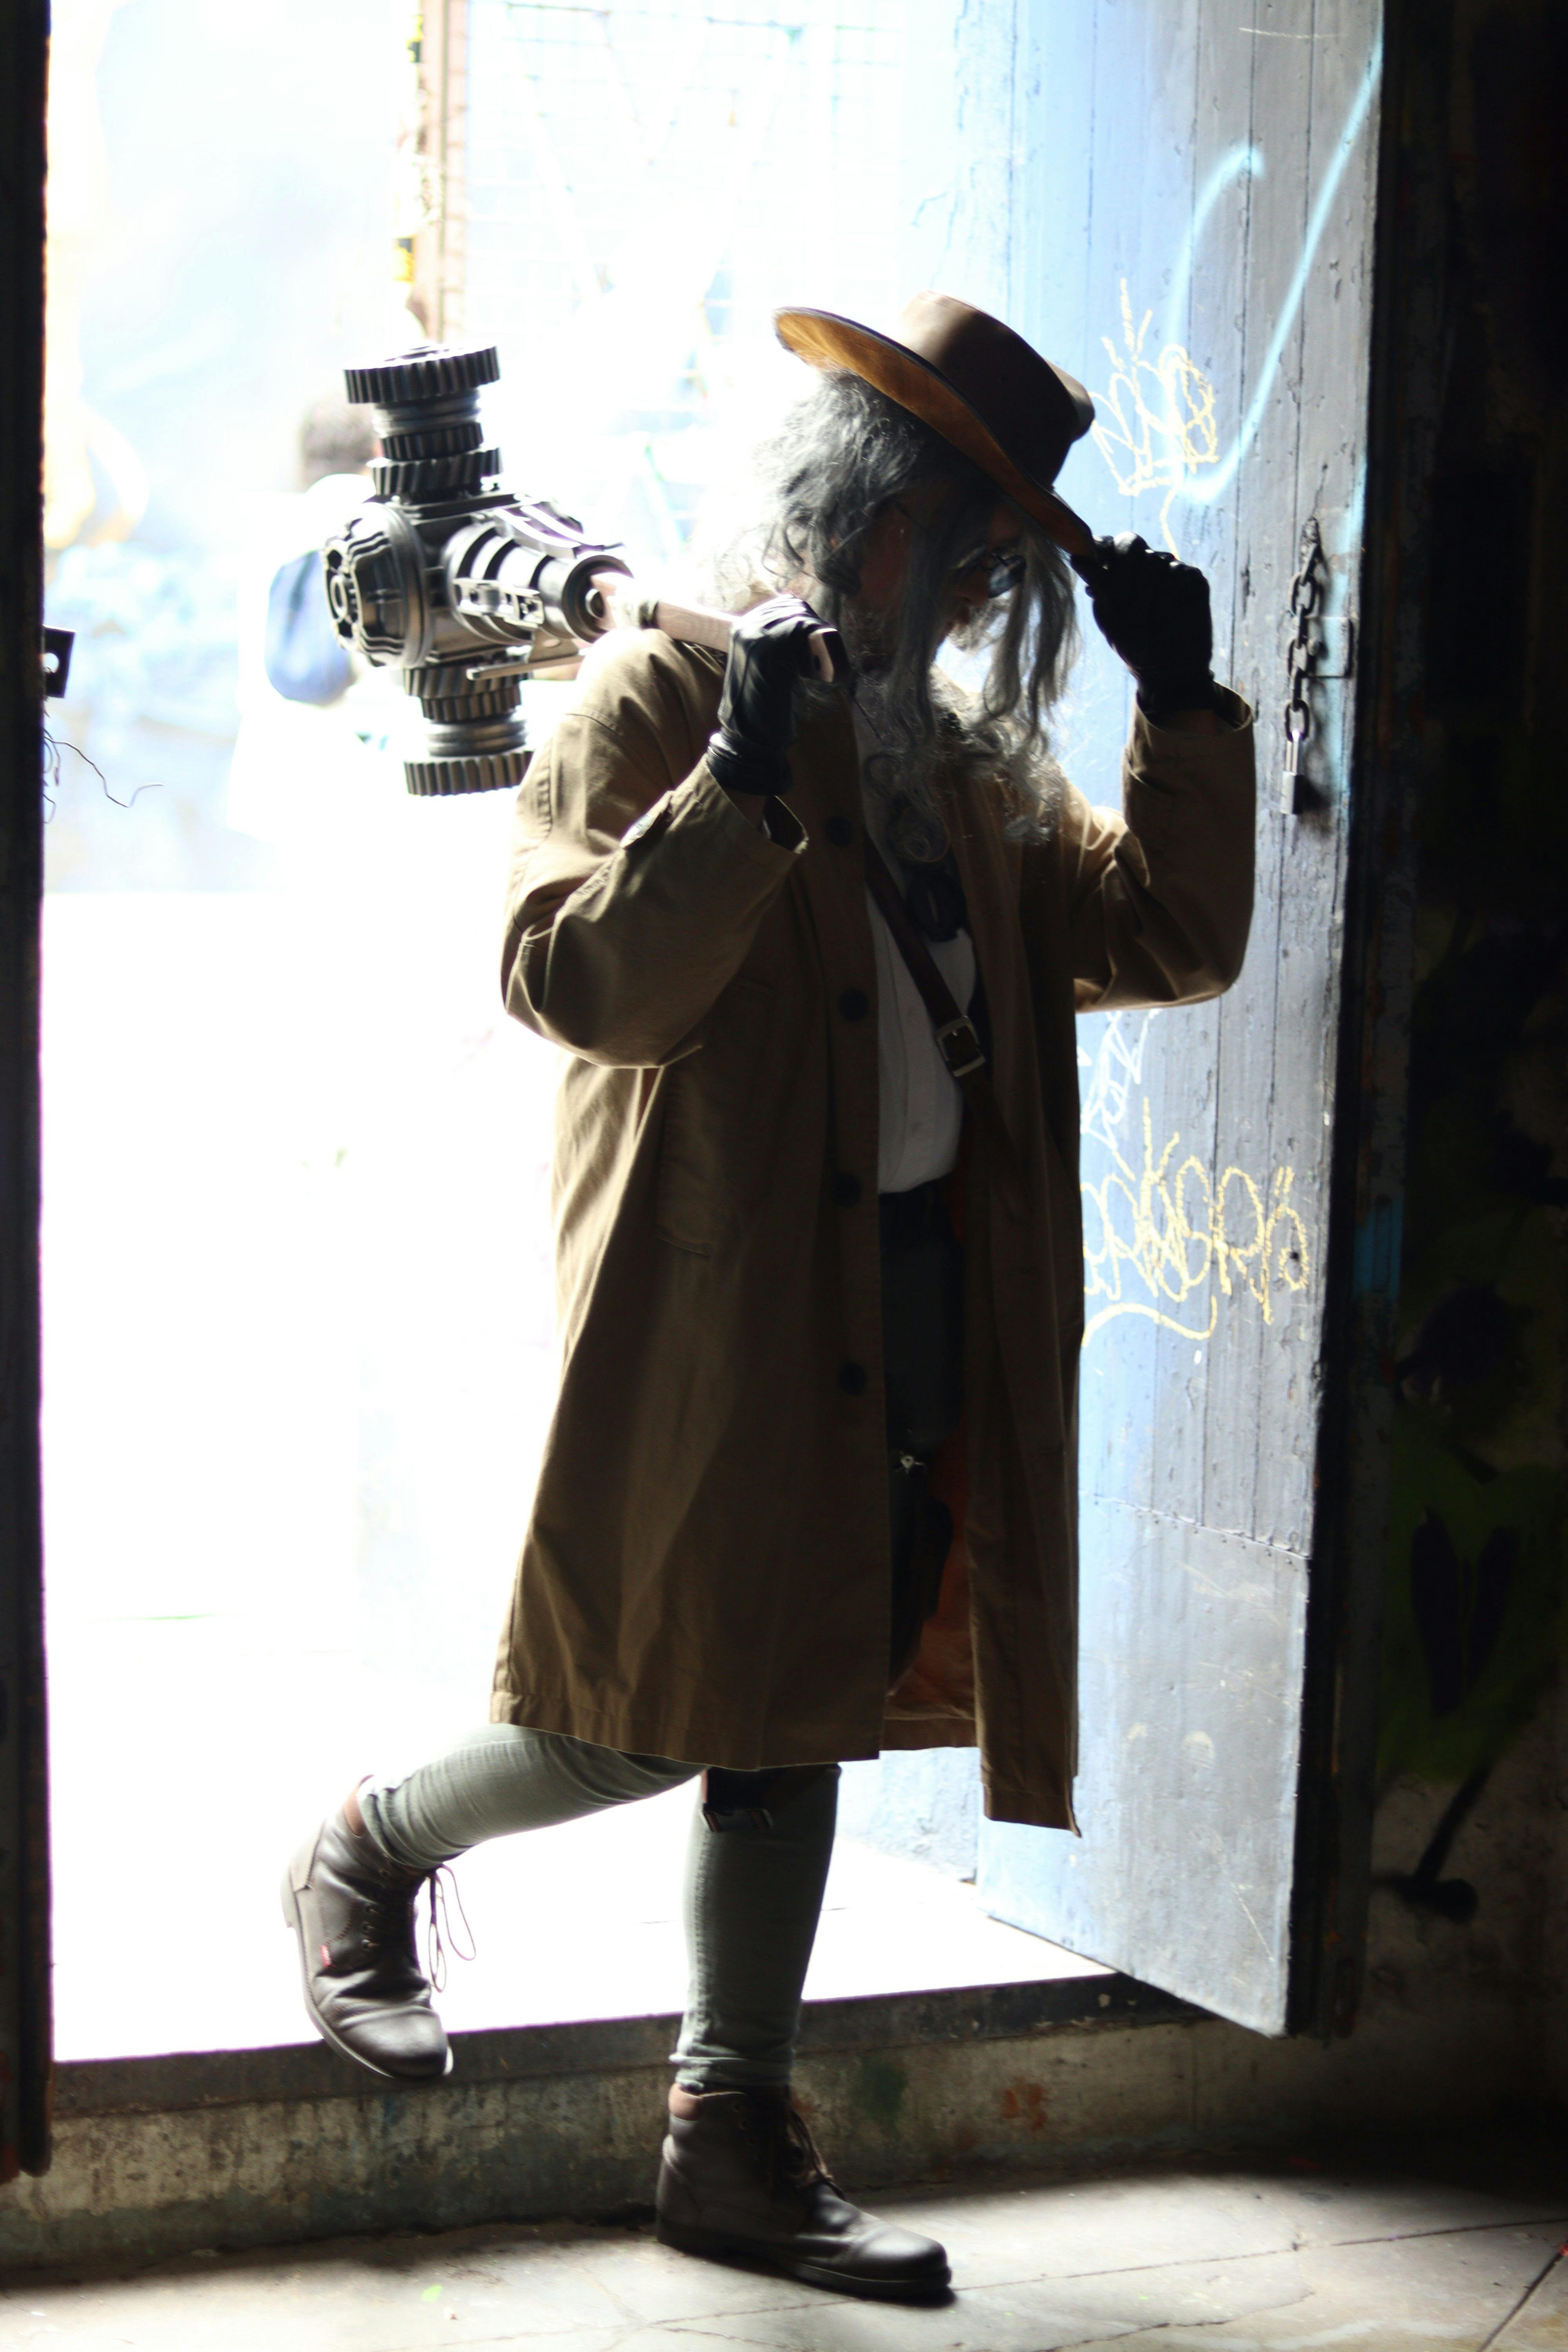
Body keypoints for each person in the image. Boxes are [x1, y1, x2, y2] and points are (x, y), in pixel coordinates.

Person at [282, 293, 1255, 2301]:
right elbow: (580, 987)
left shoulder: (972, 769)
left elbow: (1167, 933)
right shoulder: (656, 693)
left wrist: (1190, 712)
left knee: (797, 1706)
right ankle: (370, 1845)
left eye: (1012, 562)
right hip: (717, 1305)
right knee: (649, 1709)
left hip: (923, 1296)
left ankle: (730, 2139)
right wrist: (739, 783)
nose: (990, 592)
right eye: (966, 544)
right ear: (863, 512)